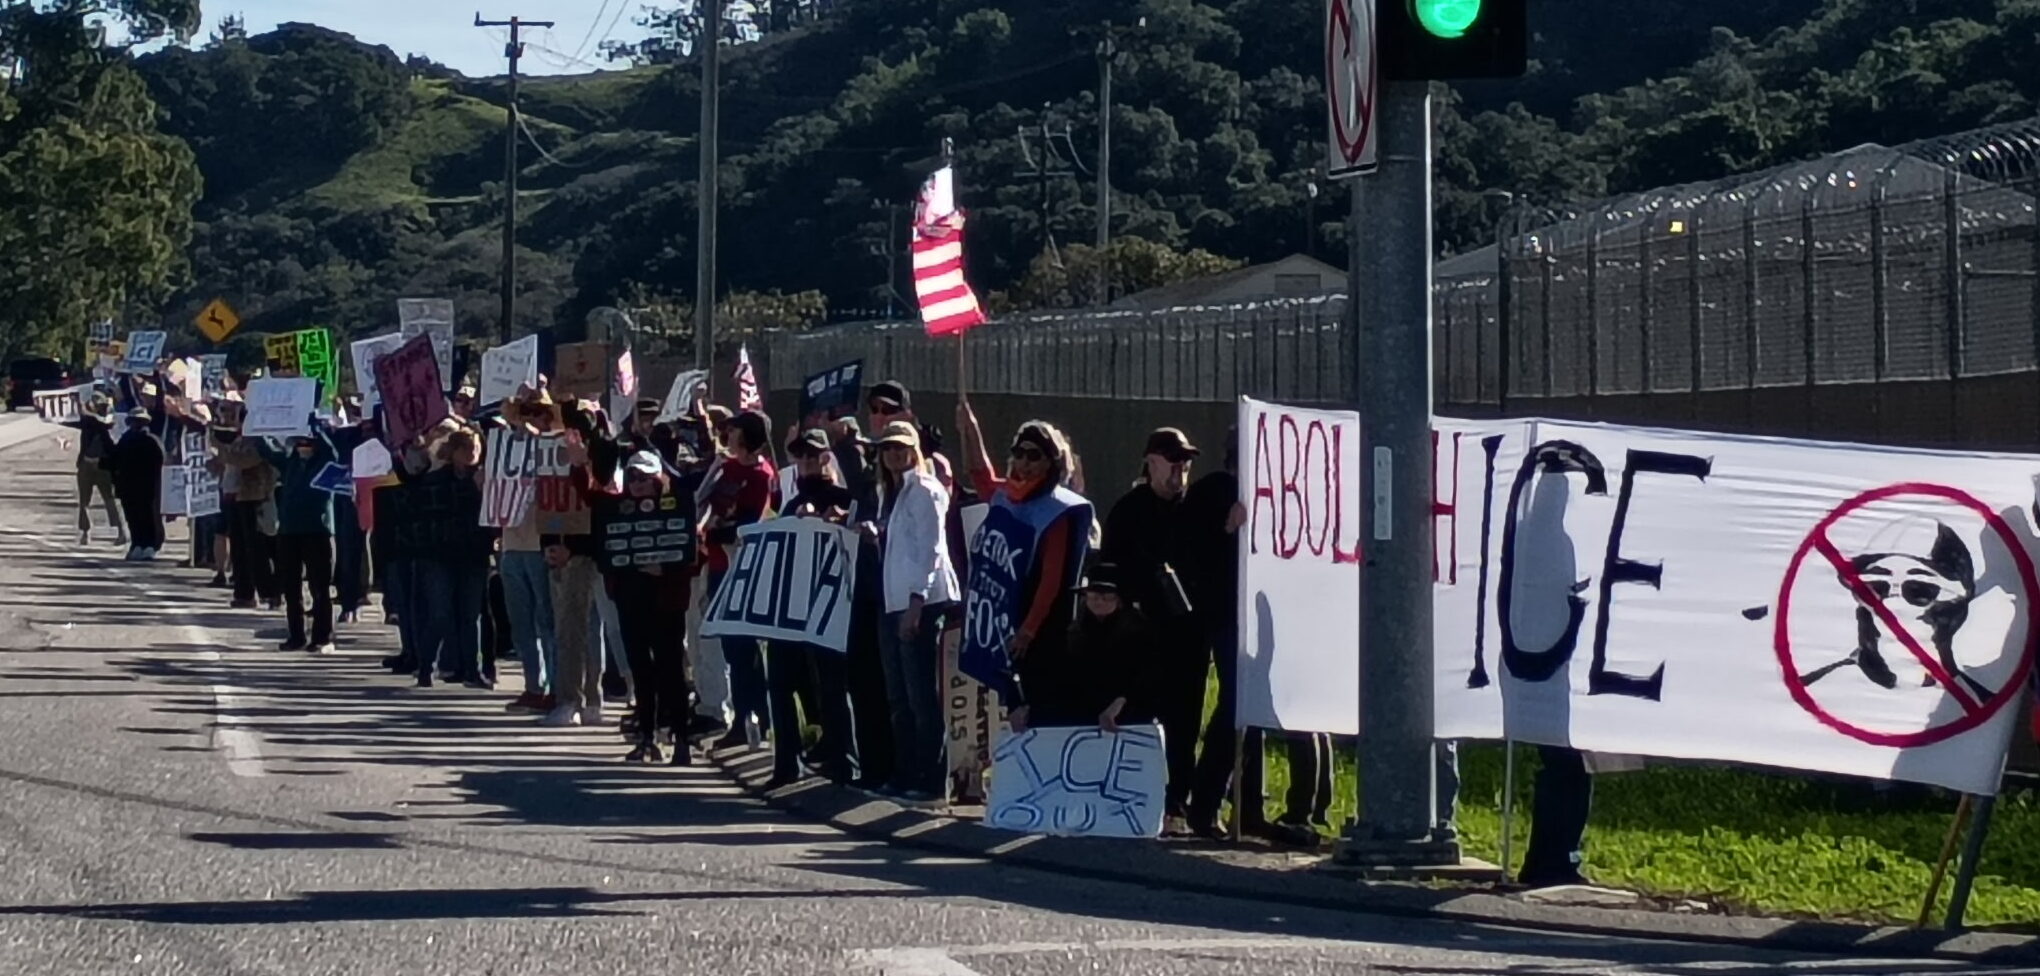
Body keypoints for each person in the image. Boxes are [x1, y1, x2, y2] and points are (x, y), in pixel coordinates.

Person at [952, 399, 1094, 725]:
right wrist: (969, 428)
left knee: (1036, 707)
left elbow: (1052, 579)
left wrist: (1028, 631)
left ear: (1052, 463)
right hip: (1004, 621)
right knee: (1012, 707)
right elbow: (981, 475)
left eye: (1034, 456)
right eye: (1019, 453)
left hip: (1039, 632)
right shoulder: (1006, 495)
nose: (1024, 463)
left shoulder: (1056, 510)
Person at [1100, 427, 1204, 834]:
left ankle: (1176, 803)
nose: (1180, 468)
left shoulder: (1195, 510)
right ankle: (1133, 801)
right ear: (1150, 461)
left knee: (1185, 723)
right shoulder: (1129, 511)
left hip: (1188, 636)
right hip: (1141, 636)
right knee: (1138, 715)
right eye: (1172, 459)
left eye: (1186, 461)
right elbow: (1110, 572)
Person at [580, 448, 696, 765]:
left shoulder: (678, 509)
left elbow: (692, 555)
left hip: (667, 602)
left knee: (671, 671)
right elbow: (591, 504)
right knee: (641, 672)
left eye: (644, 476)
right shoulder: (618, 509)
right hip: (631, 600)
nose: (638, 483)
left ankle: (681, 740)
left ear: (658, 477)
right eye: (632, 476)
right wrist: (580, 463)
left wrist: (667, 571)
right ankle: (646, 739)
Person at [868, 421, 959, 802]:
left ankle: (931, 778)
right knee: (899, 697)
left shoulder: (925, 490)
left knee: (922, 694)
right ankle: (904, 773)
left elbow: (932, 550)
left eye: (901, 448)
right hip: (892, 601)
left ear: (915, 450)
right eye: (887, 448)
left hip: (920, 602)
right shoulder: (892, 492)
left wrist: (917, 603)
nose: (893, 455)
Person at [764, 428, 860, 786]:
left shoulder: (844, 497)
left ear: (825, 458)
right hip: (789, 609)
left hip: (829, 607)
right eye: (800, 456)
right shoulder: (791, 502)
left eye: (812, 456)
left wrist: (825, 521)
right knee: (779, 683)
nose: (806, 462)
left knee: (832, 686)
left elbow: (853, 542)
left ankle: (843, 761)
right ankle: (786, 762)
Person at [704, 409, 777, 749]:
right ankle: (742, 715)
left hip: (743, 569)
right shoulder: (726, 468)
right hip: (718, 565)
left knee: (744, 647)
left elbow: (751, 523)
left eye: (732, 429)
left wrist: (719, 532)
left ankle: (754, 717)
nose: (726, 434)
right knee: (729, 646)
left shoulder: (761, 475)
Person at [1015, 563, 1161, 728]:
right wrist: (1030, 706)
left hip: (1126, 716)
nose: (1098, 602)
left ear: (1119, 600)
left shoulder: (1139, 633)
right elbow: (1059, 676)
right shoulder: (1074, 631)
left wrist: (1122, 702)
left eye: (1106, 597)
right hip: (1082, 716)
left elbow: (1147, 680)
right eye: (1093, 596)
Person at [541, 401, 608, 727]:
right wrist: (552, 545)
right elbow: (548, 500)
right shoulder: (551, 453)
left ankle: (592, 699)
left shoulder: (607, 452)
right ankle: (570, 698)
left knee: (600, 631)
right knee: (570, 630)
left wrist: (583, 465)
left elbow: (603, 505)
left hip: (597, 553)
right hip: (568, 552)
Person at [500, 387, 558, 714]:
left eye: (538, 413)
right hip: (511, 543)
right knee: (521, 621)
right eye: (527, 413)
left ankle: (554, 685)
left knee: (546, 619)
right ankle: (532, 685)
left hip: (540, 543)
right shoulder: (505, 449)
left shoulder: (554, 447)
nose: (532, 419)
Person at [256, 423, 339, 653]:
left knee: (319, 587)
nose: (302, 446)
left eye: (307, 442)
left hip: (317, 530)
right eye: (299, 442)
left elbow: (332, 450)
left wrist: (313, 424)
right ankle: (296, 635)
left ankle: (322, 637)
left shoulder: (325, 463)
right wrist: (254, 426)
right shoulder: (289, 462)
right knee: (290, 587)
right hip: (289, 531)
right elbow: (266, 450)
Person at [218, 419, 280, 610]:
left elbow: (246, 460)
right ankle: (244, 593)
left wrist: (221, 449)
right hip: (239, 496)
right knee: (241, 550)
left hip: (259, 497)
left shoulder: (264, 440)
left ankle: (271, 592)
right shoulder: (241, 440)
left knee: (260, 550)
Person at [106, 407, 166, 561]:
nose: (137, 424)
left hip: (149, 487)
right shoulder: (125, 440)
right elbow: (114, 461)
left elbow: (162, 465)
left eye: (140, 421)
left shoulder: (152, 440)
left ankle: (149, 545)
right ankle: (137, 543)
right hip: (128, 487)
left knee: (148, 516)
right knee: (133, 517)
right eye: (134, 421)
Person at [68, 392, 125, 548]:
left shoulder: (109, 421)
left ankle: (121, 531)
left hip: (103, 465)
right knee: (84, 502)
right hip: (87, 463)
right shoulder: (88, 421)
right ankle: (85, 532)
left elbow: (101, 421)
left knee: (109, 500)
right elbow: (75, 419)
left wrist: (80, 404)